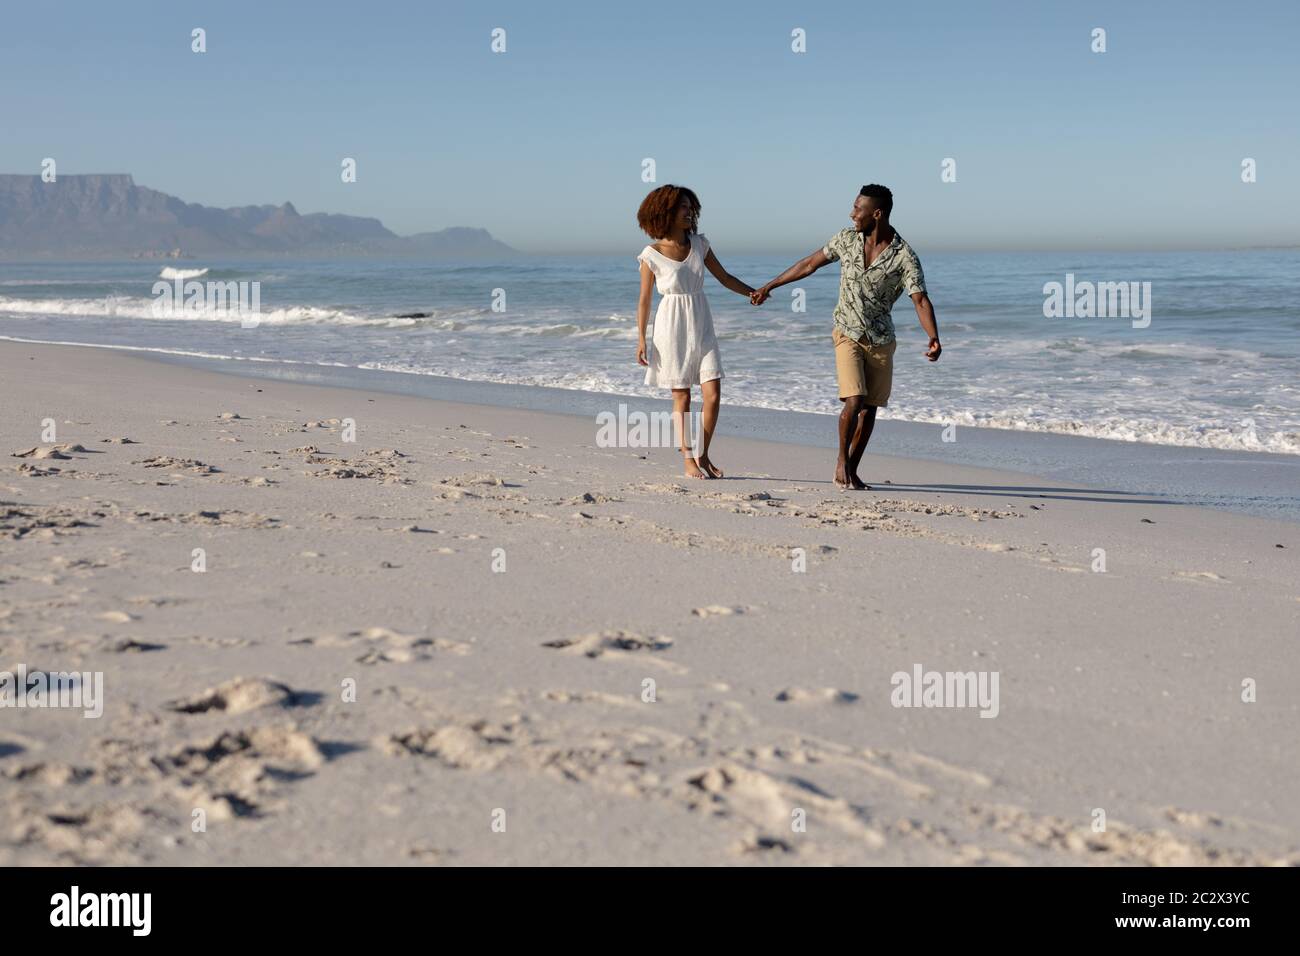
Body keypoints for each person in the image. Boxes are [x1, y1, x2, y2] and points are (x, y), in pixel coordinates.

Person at [751, 184, 941, 489]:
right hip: (847, 331)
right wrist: (770, 286)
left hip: (881, 339)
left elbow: (919, 299)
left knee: (870, 408)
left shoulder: (904, 256)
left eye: (858, 209)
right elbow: (809, 264)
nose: (852, 214)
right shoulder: (846, 239)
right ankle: (842, 461)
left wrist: (933, 336)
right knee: (854, 399)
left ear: (876, 214)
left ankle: (851, 467)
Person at [636, 184, 755, 478]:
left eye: (691, 208)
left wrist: (753, 292)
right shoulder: (651, 254)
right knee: (683, 397)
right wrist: (641, 338)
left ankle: (703, 454)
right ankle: (688, 459)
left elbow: (724, 277)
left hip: (701, 320)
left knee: (713, 393)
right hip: (671, 324)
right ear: (666, 212)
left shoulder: (700, 244)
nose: (689, 213)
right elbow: (644, 300)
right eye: (683, 208)